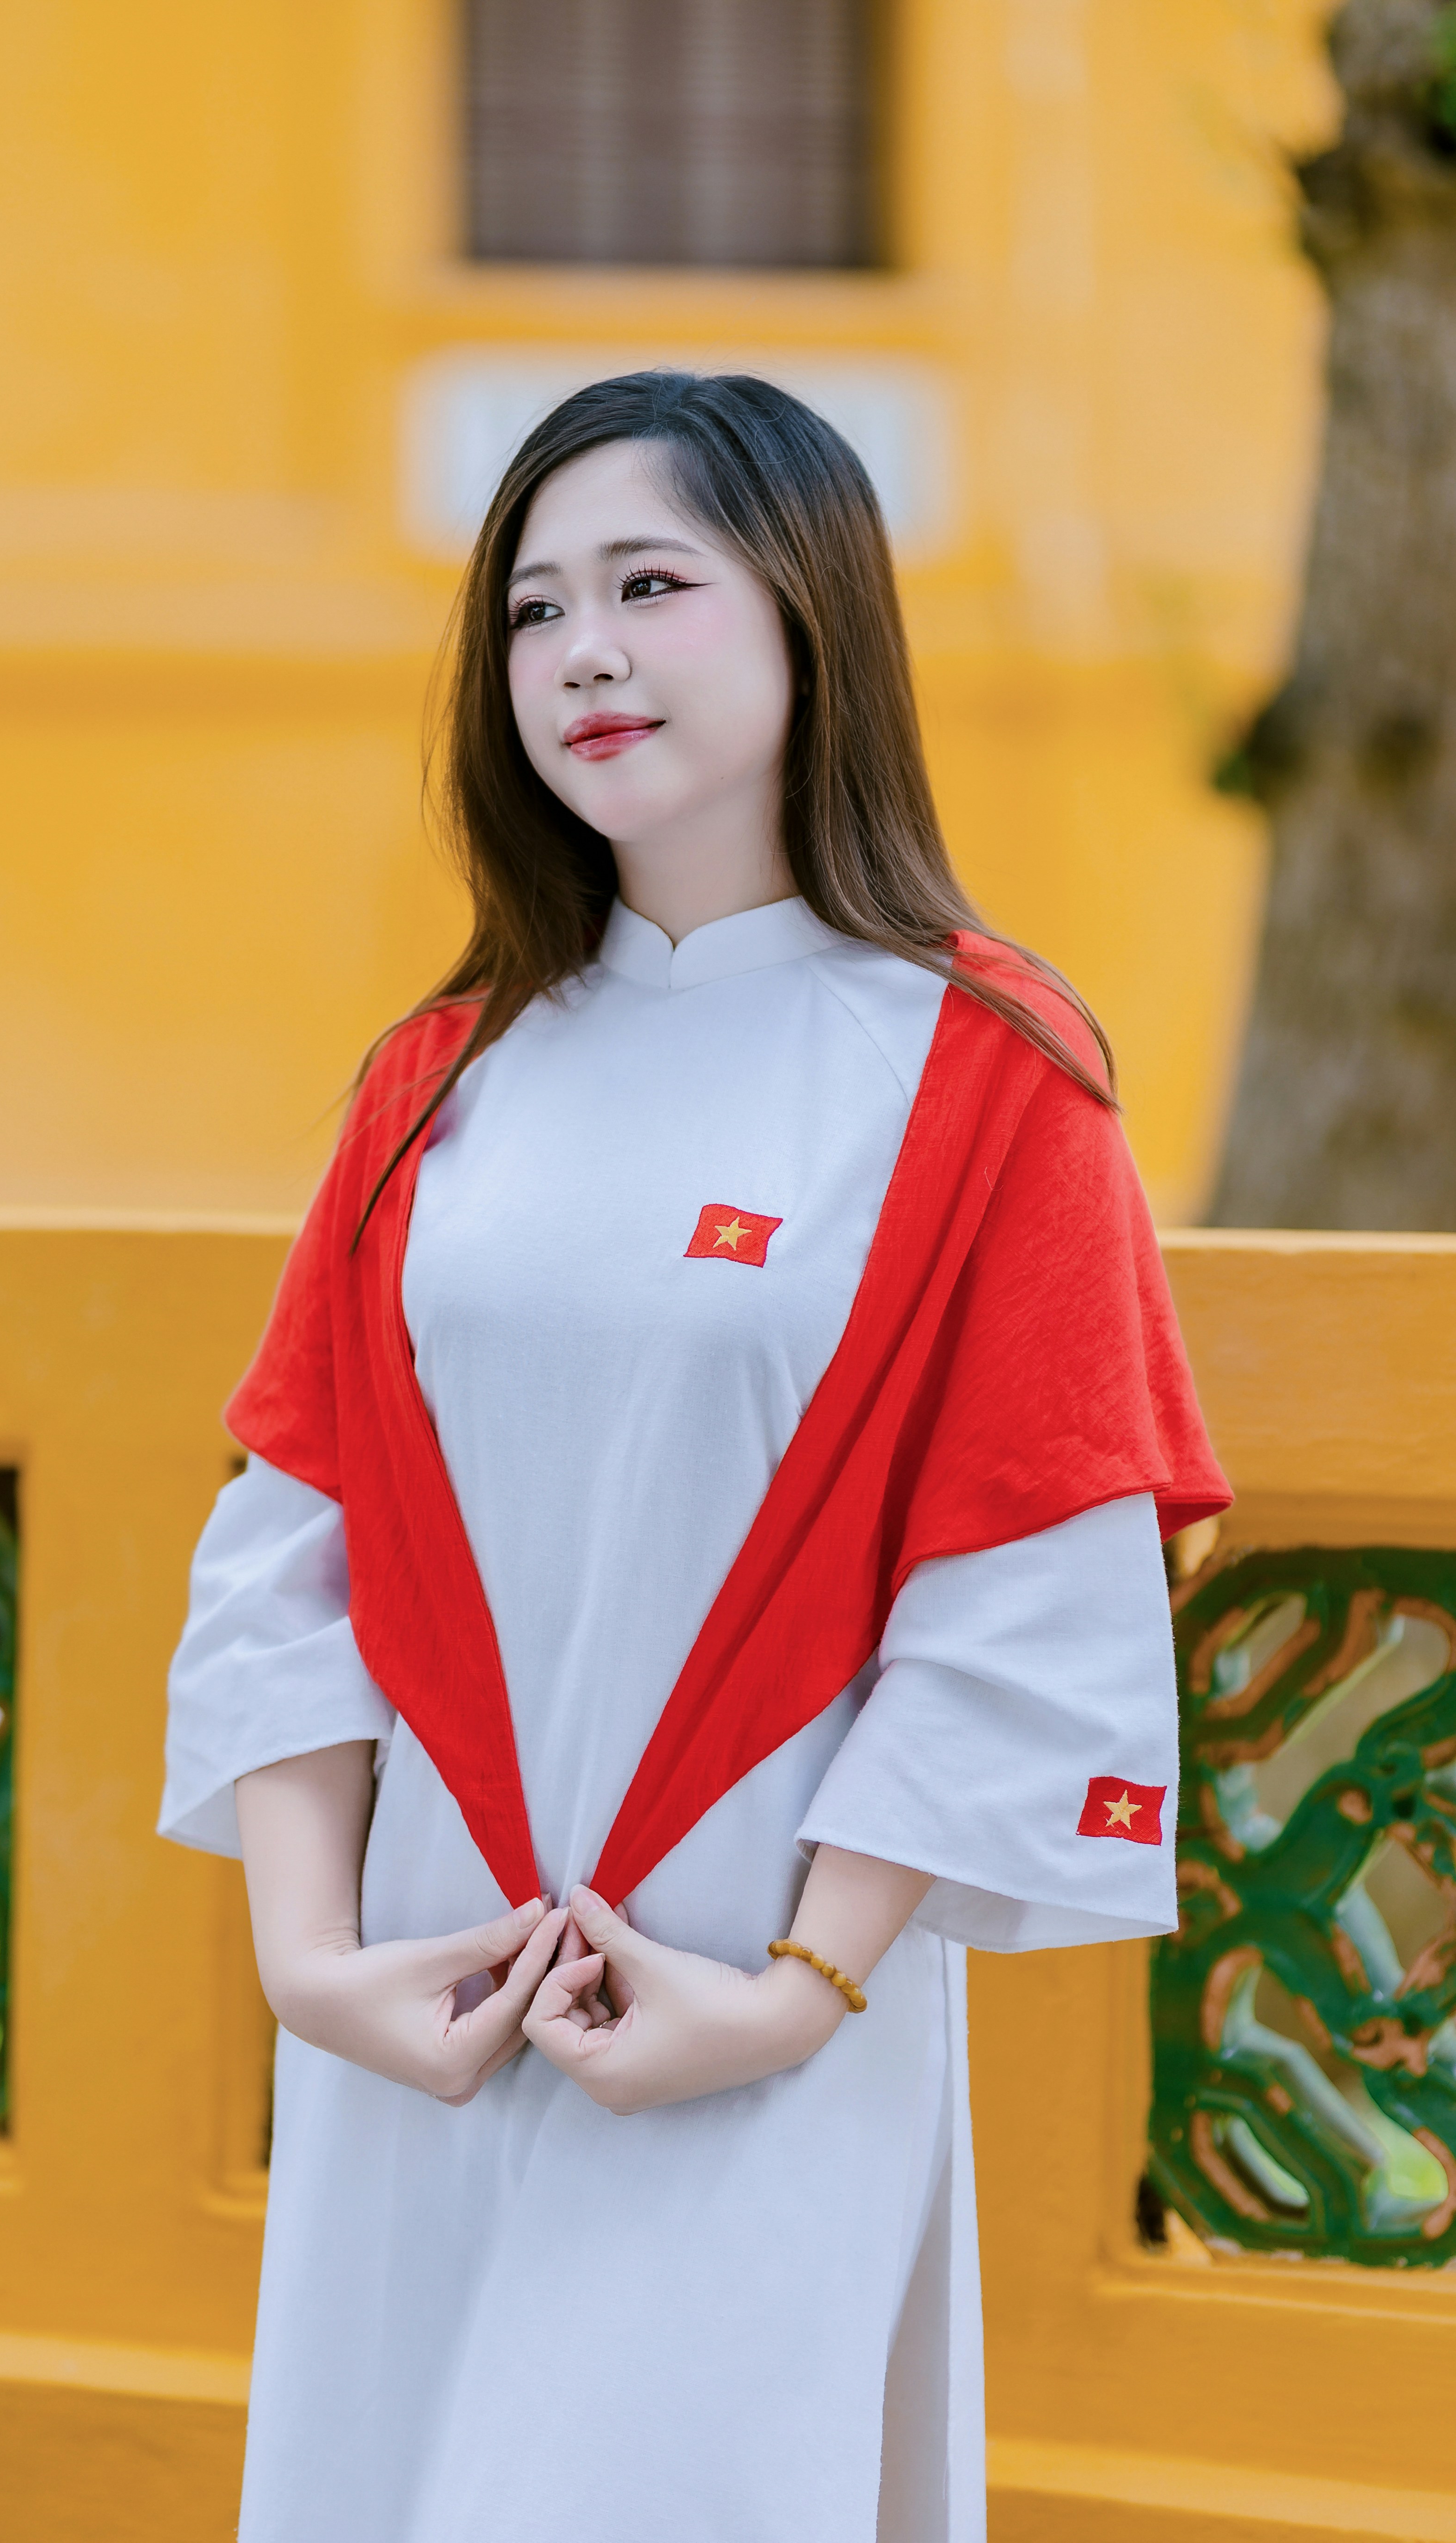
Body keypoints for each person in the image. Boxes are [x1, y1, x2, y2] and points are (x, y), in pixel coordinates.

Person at [160, 370, 1229, 2543]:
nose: (585, 655)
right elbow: (297, 1533)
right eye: (537, 609)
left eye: (652, 584)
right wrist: (313, 1967)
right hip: (424, 2004)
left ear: (812, 616)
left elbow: (1027, 1574)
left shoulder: (986, 1067)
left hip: (752, 2003)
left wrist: (788, 1997)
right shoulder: (437, 1082)